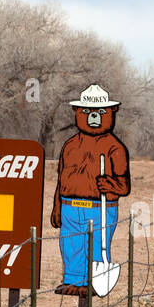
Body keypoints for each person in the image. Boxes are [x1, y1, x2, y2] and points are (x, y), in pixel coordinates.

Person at [51, 85, 131, 296]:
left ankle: (93, 282)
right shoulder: (69, 146)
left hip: (100, 208)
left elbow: (123, 186)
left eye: (100, 112)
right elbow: (61, 179)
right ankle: (73, 281)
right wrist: (57, 207)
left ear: (111, 113)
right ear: (77, 113)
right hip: (70, 206)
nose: (93, 117)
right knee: (71, 245)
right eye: (86, 112)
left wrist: (111, 186)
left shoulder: (115, 148)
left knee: (97, 244)